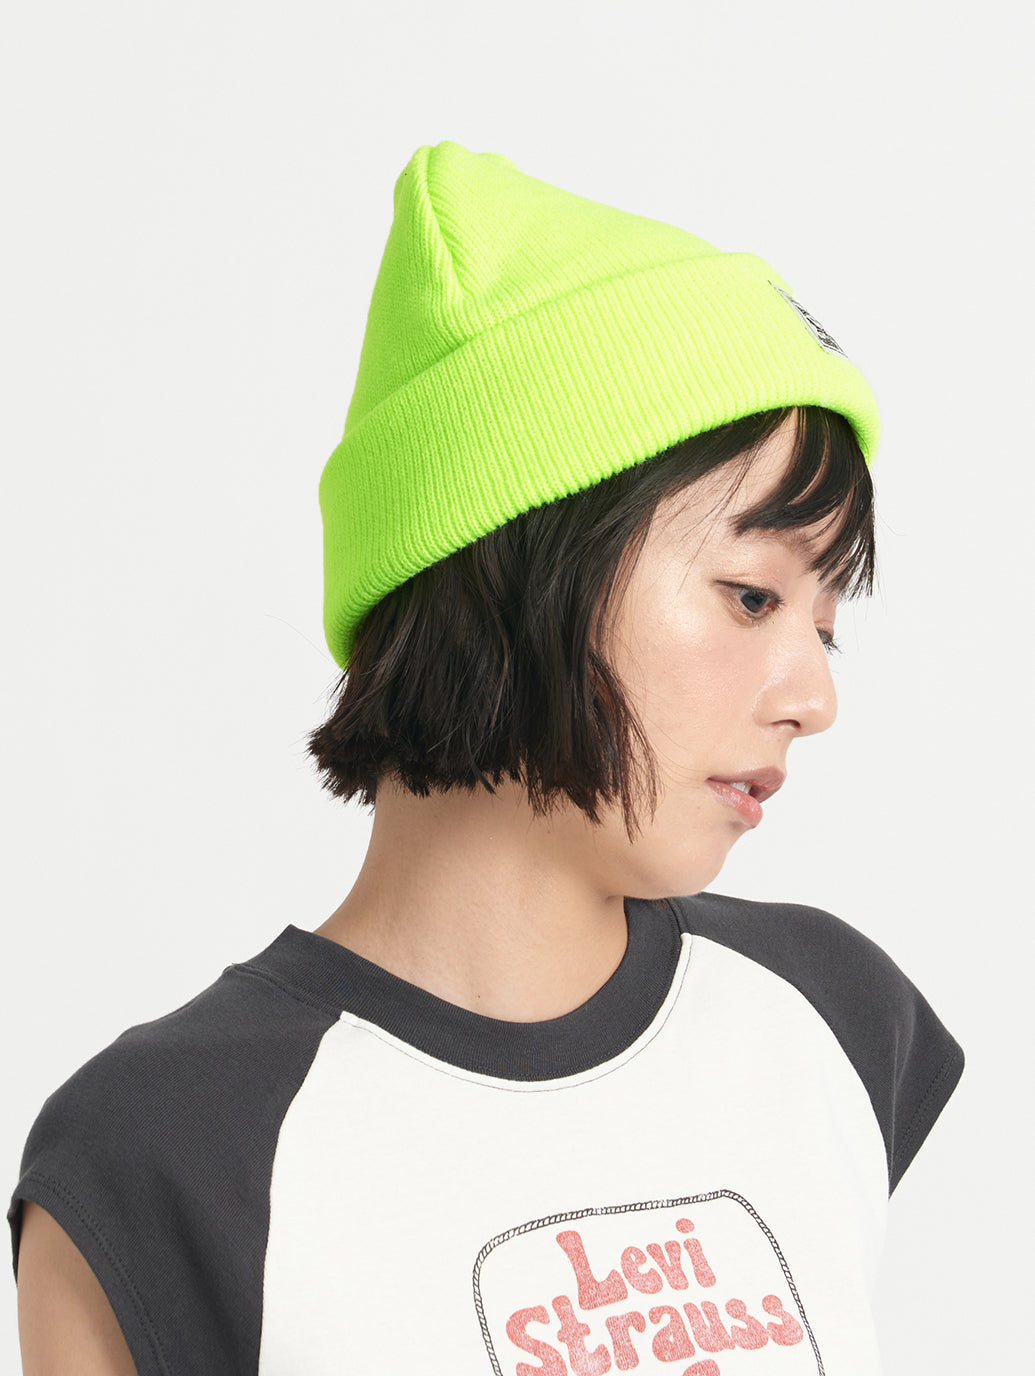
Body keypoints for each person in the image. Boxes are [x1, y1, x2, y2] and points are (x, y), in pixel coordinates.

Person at [9, 139, 963, 1375]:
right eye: (750, 595)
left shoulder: (828, 1018)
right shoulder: (167, 1153)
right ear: (512, 564)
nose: (815, 696)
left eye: (824, 625)